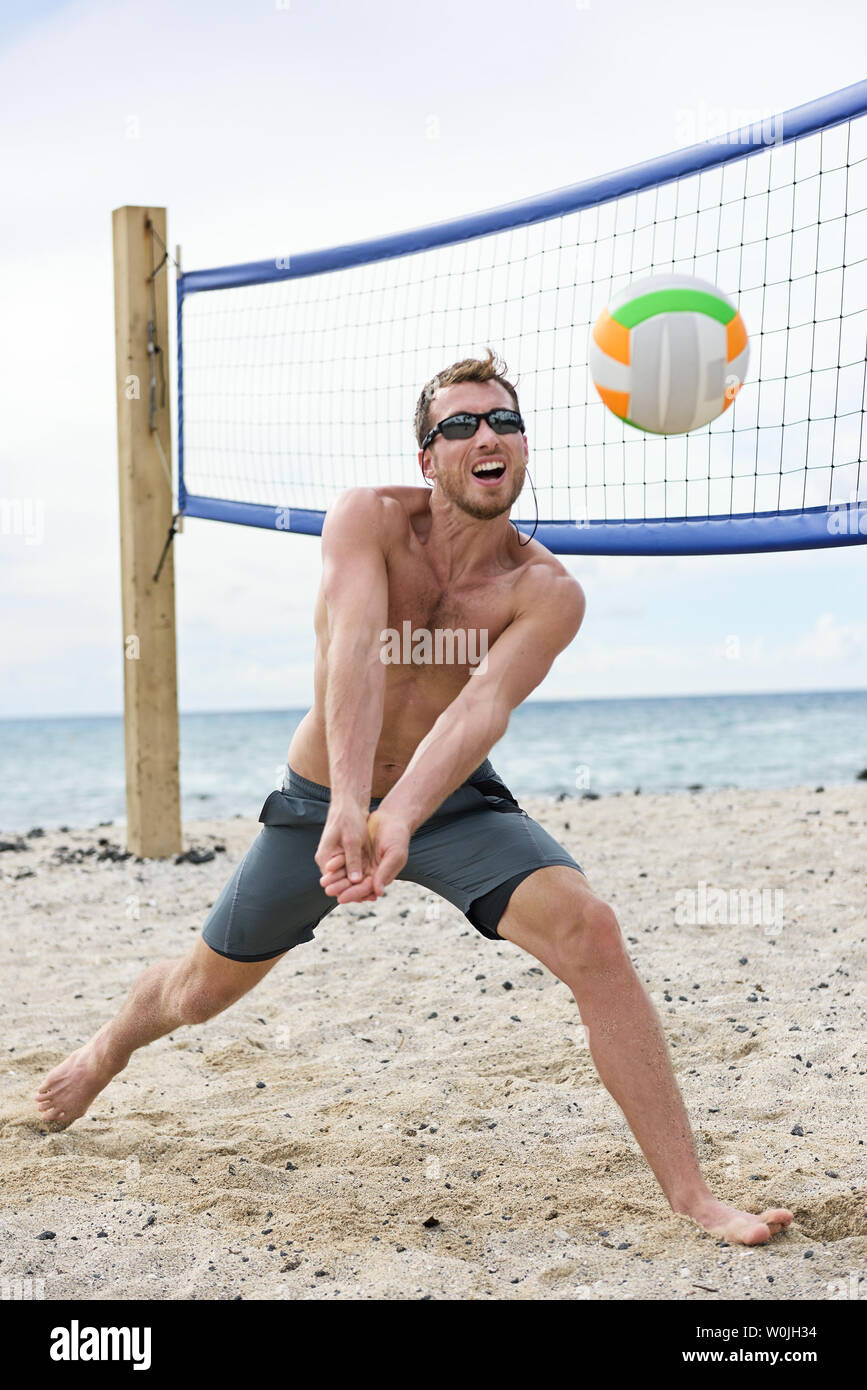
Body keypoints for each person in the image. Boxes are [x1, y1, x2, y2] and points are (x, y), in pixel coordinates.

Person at [36, 348, 792, 1247]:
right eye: (460, 424)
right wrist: (351, 806)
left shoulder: (547, 592)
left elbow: (479, 708)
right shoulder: (366, 521)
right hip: (322, 796)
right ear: (426, 456)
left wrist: (397, 816)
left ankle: (693, 1199)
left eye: (505, 421)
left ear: (522, 449)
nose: (487, 436)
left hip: (451, 803)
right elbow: (354, 650)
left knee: (591, 931)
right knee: (198, 994)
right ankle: (105, 1052)